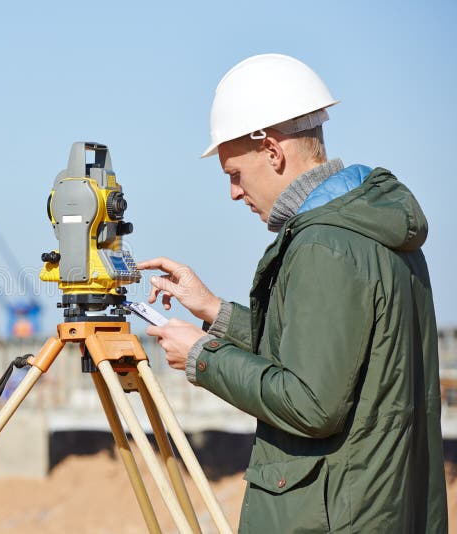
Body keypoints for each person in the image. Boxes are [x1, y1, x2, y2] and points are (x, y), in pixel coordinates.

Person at [139, 54, 447, 533]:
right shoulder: (371, 231)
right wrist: (215, 312)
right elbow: (328, 361)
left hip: (331, 517)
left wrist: (203, 357)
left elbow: (312, 402)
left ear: (273, 152)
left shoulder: (324, 244)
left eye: (234, 174)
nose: (234, 194)